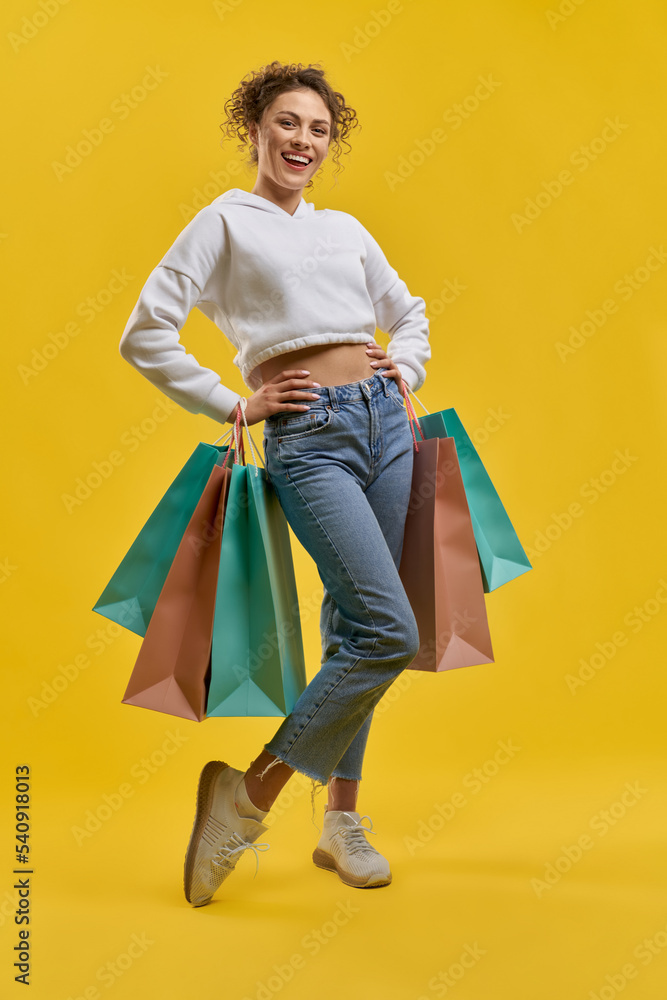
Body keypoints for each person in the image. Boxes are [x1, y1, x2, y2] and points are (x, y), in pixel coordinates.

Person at [118, 60, 430, 907]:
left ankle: (341, 822)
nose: (303, 140)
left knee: (353, 630)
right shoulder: (223, 224)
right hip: (310, 438)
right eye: (287, 123)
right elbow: (144, 334)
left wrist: (400, 367)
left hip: (383, 427)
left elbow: (407, 313)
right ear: (253, 128)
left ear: (331, 144)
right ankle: (244, 799)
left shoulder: (347, 230)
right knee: (384, 631)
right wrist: (236, 402)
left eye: (319, 130)